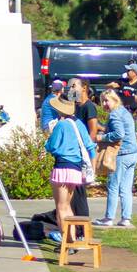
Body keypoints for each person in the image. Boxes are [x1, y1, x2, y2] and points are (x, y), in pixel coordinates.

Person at [44, 95, 96, 237]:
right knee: (68, 206)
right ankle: (72, 239)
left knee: (61, 207)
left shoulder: (60, 125)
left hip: (62, 167)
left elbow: (52, 147)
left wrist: (48, 139)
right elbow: (89, 145)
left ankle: (66, 241)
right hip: (76, 168)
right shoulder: (78, 123)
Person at [93, 88, 137, 229]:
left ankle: (109, 218)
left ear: (115, 99)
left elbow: (118, 134)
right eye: (103, 101)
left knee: (113, 186)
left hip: (122, 153)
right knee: (126, 188)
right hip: (133, 153)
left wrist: (101, 137)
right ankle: (126, 218)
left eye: (107, 100)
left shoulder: (115, 115)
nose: (105, 104)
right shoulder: (124, 112)